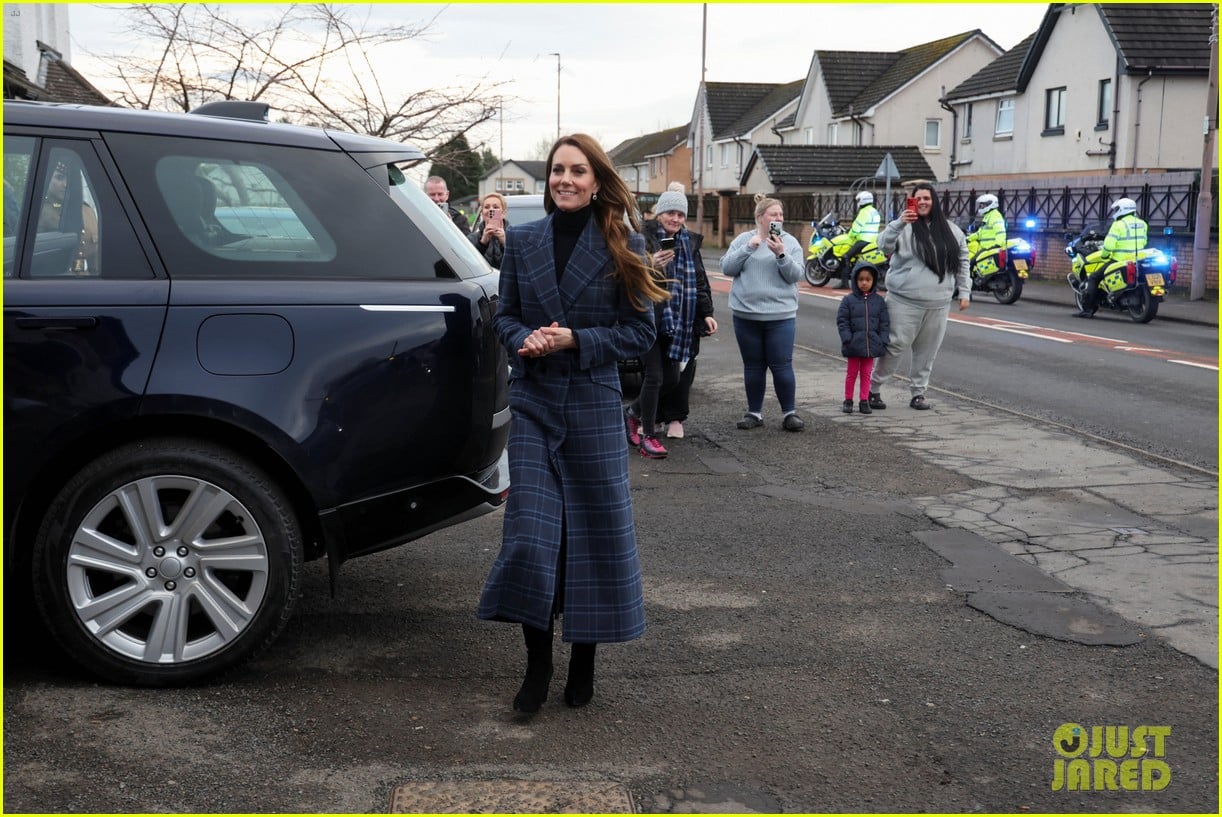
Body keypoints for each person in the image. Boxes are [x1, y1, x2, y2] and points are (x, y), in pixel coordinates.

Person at [477, 133, 669, 714]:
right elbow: (503, 316)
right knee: (532, 537)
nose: (565, 179)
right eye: (558, 170)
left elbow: (641, 334)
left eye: (577, 171)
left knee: (592, 537)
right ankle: (537, 667)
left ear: (595, 180)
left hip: (591, 403)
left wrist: (575, 339)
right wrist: (525, 338)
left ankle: (583, 661)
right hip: (534, 403)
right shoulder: (525, 241)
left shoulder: (623, 243)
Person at [624, 183, 718, 453]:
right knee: (653, 376)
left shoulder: (689, 243)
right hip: (647, 317)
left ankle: (632, 413)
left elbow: (699, 283)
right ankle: (648, 436)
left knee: (673, 379)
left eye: (680, 214)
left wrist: (707, 314)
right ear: (660, 213)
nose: (675, 219)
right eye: (670, 213)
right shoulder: (640, 237)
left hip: (677, 321)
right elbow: (626, 277)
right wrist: (650, 264)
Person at [867, 183, 970, 412]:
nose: (923, 202)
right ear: (911, 201)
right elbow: (882, 245)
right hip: (904, 301)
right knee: (894, 346)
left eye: (927, 198)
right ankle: (873, 389)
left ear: (934, 201)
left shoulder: (952, 230)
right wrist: (900, 222)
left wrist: (964, 291)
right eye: (918, 198)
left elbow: (963, 262)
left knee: (927, 352)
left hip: (939, 303)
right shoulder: (903, 226)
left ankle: (918, 393)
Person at [722, 193, 806, 432]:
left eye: (781, 214)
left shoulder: (790, 242)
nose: (778, 218)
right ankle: (754, 413)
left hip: (780, 316)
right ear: (760, 217)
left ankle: (790, 413)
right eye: (773, 214)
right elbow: (727, 268)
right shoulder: (743, 240)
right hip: (746, 316)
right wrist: (749, 248)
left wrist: (781, 254)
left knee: (781, 365)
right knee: (753, 366)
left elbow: (796, 275)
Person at [1073, 197, 1148, 318]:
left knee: (1093, 278)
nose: (1115, 212)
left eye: (1117, 209)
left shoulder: (1118, 225)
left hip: (1119, 259)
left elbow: (1109, 245)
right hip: (1137, 259)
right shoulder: (1142, 224)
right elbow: (1144, 241)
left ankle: (1087, 310)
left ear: (1122, 209)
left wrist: (1105, 255)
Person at [837, 265, 890, 415]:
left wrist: (882, 339)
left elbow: (884, 323)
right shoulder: (848, 300)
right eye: (861, 279)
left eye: (868, 279)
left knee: (867, 374)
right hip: (853, 345)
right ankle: (848, 400)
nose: (864, 283)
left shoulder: (879, 302)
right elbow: (842, 321)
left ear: (873, 281)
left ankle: (864, 400)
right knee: (852, 373)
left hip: (871, 345)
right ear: (855, 280)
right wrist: (847, 338)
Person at [37, 159, 98, 274]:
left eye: (69, 179)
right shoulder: (39, 211)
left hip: (86, 283)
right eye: (59, 178)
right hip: (53, 282)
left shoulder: (87, 210)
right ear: (48, 179)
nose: (65, 184)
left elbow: (95, 259)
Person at [838, 190, 881, 290]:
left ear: (862, 201)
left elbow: (856, 228)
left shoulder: (864, 212)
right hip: (873, 241)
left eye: (858, 200)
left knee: (846, 257)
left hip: (863, 241)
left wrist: (850, 234)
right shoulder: (874, 211)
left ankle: (844, 283)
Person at [468, 192, 509, 268]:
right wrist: (482, 244)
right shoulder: (472, 238)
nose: (491, 210)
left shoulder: (514, 237)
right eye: (487, 207)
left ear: (503, 213)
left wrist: (505, 243)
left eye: (496, 207)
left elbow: (520, 263)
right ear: (482, 213)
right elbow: (468, 264)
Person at [966, 193, 1007, 263]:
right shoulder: (988, 216)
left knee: (971, 262)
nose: (980, 207)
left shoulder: (995, 215)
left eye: (982, 205)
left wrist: (997, 245)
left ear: (989, 204)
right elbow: (980, 233)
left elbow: (1000, 232)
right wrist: (968, 239)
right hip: (986, 248)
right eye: (980, 205)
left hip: (991, 248)